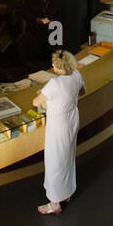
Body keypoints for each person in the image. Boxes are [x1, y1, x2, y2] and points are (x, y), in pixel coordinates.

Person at [32, 49, 85, 215]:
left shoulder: (54, 84)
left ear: (58, 68)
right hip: (72, 121)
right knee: (68, 157)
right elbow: (82, 91)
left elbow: (36, 102)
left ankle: (54, 202)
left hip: (58, 126)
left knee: (55, 162)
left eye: (54, 65)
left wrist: (46, 96)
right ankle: (66, 193)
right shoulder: (76, 75)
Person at [21, 0, 61, 70]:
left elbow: (61, 15)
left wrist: (53, 21)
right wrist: (35, 20)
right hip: (35, 29)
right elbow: (25, 11)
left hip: (51, 31)